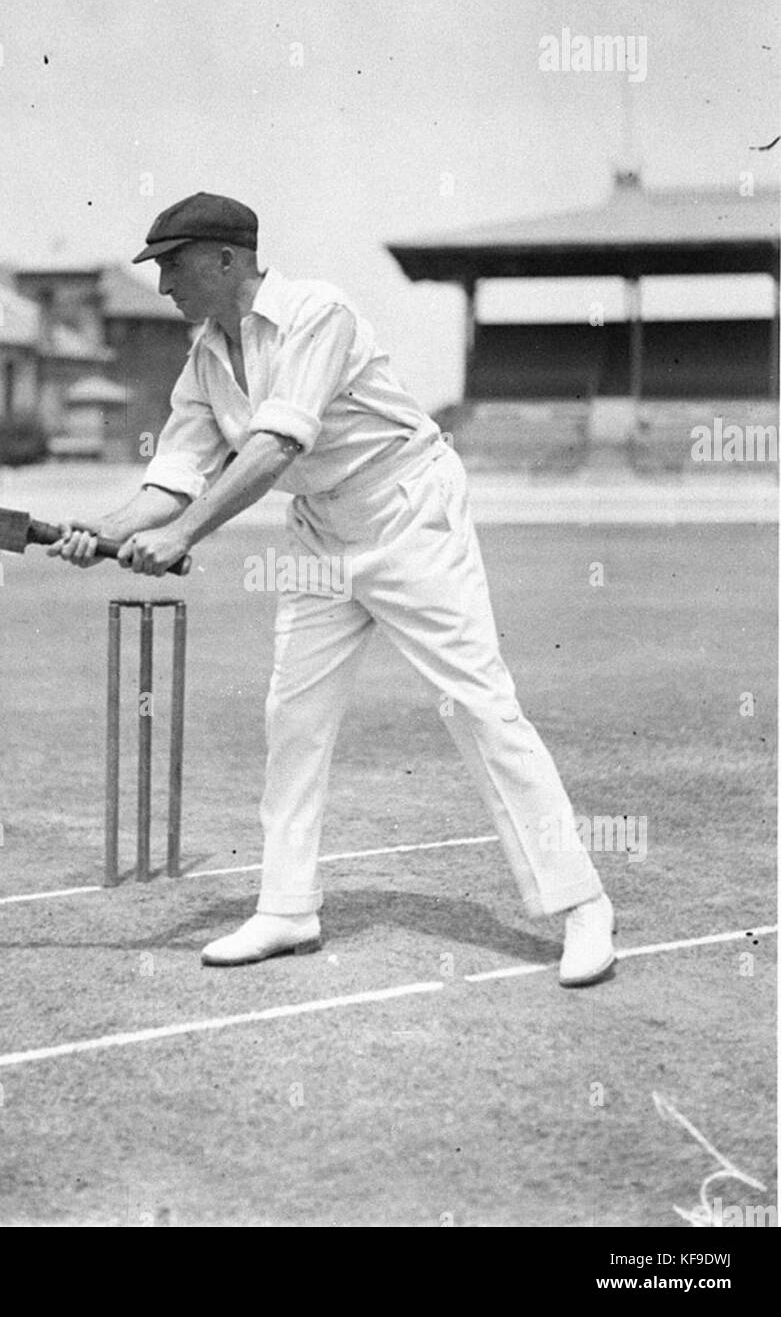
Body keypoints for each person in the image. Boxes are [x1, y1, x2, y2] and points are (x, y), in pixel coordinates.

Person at [48, 192, 616, 986]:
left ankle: (580, 903)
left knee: (480, 706)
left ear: (225, 258)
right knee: (293, 714)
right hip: (319, 530)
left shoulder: (320, 312)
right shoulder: (204, 358)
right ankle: (286, 909)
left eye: (172, 265)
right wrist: (103, 532)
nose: (162, 285)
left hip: (408, 510)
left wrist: (180, 538)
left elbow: (275, 446)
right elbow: (169, 483)